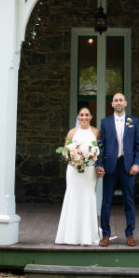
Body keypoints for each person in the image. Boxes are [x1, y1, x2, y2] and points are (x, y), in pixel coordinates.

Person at [97, 91, 139, 246]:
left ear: (125, 103)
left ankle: (130, 234)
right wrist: (99, 164)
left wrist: (137, 163)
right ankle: (105, 234)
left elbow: (138, 145)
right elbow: (101, 146)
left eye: (120, 100)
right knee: (106, 202)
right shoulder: (105, 122)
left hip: (127, 166)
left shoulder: (133, 121)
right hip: (110, 165)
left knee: (128, 201)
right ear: (112, 104)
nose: (118, 102)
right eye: (115, 100)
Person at [55, 105, 100, 245]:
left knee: (88, 197)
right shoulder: (72, 133)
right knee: (73, 197)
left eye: (87, 115)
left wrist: (89, 159)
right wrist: (75, 161)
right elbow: (64, 151)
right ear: (78, 117)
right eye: (82, 115)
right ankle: (70, 235)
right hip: (74, 171)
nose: (84, 117)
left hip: (89, 172)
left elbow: (100, 151)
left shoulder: (96, 132)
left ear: (91, 117)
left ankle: (88, 236)